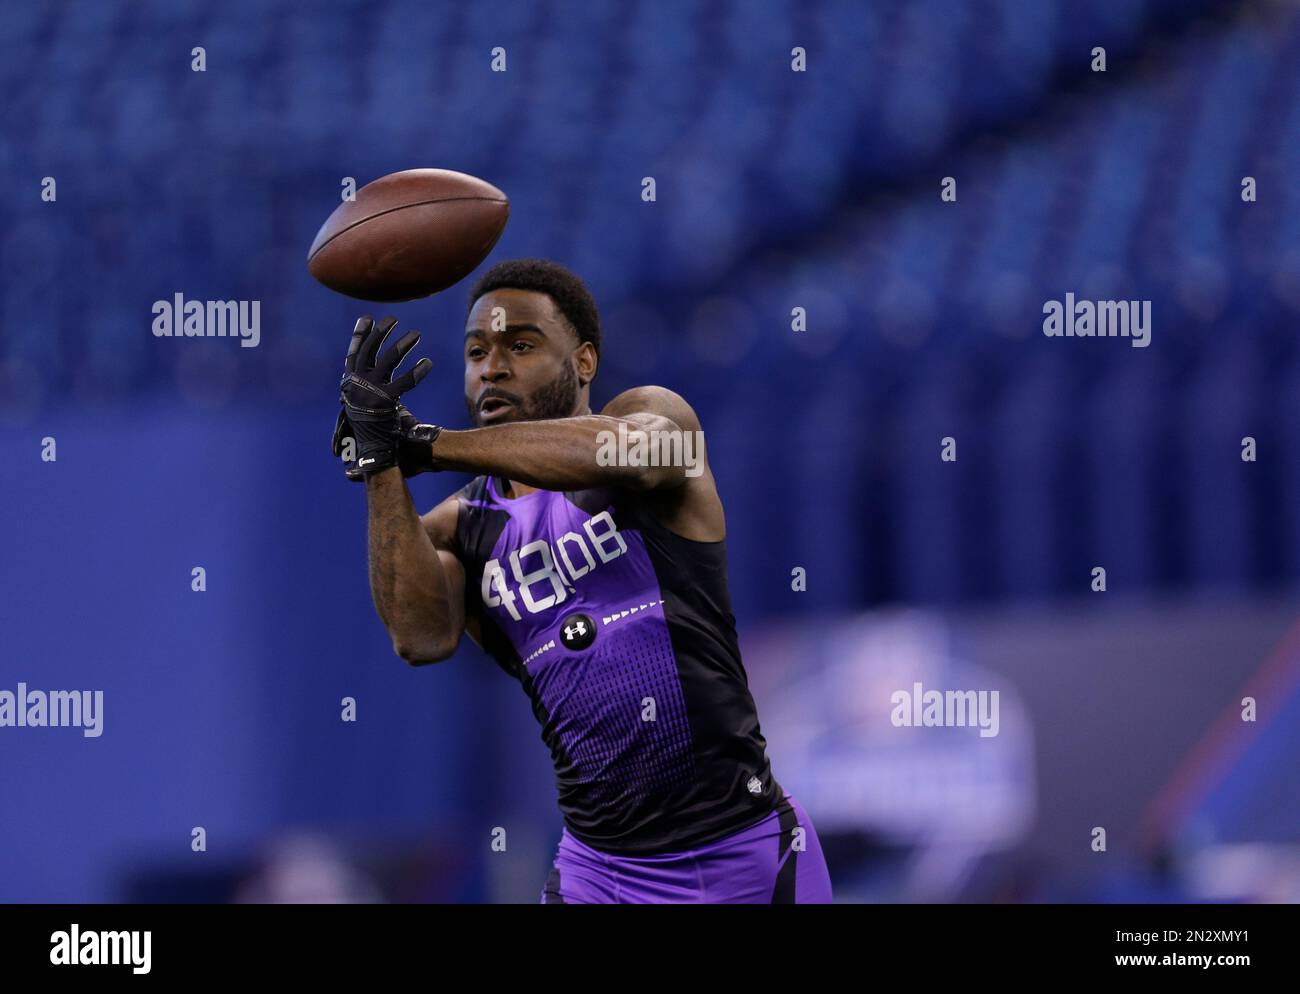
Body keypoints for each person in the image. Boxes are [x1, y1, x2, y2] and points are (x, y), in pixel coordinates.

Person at [332, 257, 832, 903]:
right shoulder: (461, 528)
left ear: (585, 362)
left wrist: (424, 444)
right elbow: (419, 638)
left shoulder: (654, 418)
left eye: (521, 344)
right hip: (603, 875)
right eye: (476, 350)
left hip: (745, 853)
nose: (493, 366)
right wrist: (381, 465)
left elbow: (628, 452)